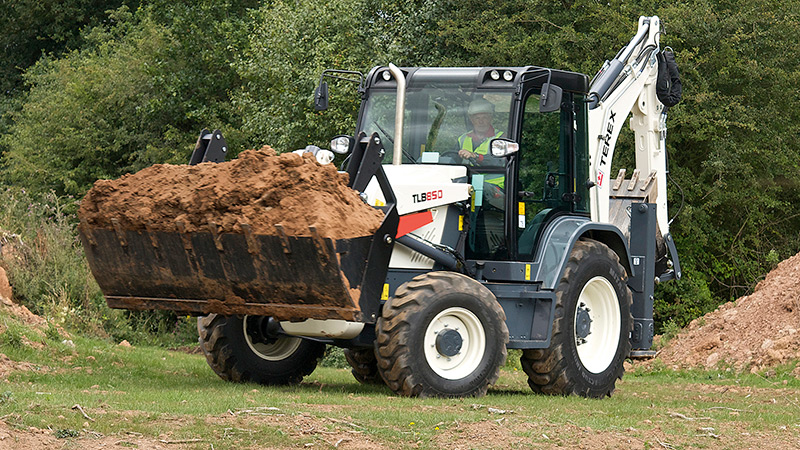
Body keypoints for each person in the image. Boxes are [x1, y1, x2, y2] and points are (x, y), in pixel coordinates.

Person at [457, 98, 504, 166]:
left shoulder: (500, 138)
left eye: (484, 118)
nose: (481, 122)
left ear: (490, 118)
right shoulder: (462, 139)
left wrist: (476, 157)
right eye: (477, 118)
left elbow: (501, 162)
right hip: (466, 176)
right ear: (471, 120)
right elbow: (453, 158)